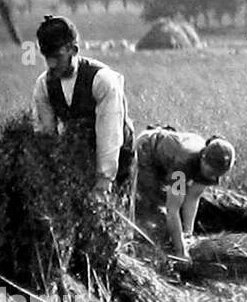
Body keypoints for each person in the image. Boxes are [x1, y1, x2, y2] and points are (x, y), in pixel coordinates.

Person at [32, 15, 135, 196]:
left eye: (57, 56)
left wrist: (104, 182)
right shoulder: (44, 85)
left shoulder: (102, 80)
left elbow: (109, 134)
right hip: (81, 153)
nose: (51, 64)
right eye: (47, 57)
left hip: (118, 156)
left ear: (73, 49)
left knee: (114, 214)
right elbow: (46, 134)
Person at [131, 127, 236, 258]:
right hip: (147, 151)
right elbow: (172, 210)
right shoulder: (182, 167)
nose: (212, 178)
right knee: (154, 205)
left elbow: (192, 199)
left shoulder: (209, 169)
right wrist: (181, 251)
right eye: (210, 173)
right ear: (203, 158)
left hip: (168, 162)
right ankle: (141, 245)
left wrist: (187, 235)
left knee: (169, 214)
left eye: (217, 175)